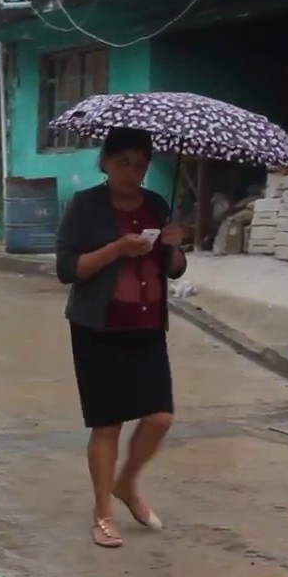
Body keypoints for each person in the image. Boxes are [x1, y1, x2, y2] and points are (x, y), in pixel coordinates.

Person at [53, 127, 188, 549]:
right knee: (107, 425)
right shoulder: (85, 206)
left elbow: (174, 270)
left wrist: (176, 245)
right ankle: (102, 514)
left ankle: (126, 483)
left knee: (160, 417)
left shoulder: (156, 204)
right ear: (105, 163)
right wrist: (116, 249)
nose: (131, 173)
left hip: (147, 326)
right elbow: (67, 269)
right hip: (99, 327)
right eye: (122, 163)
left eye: (139, 164)